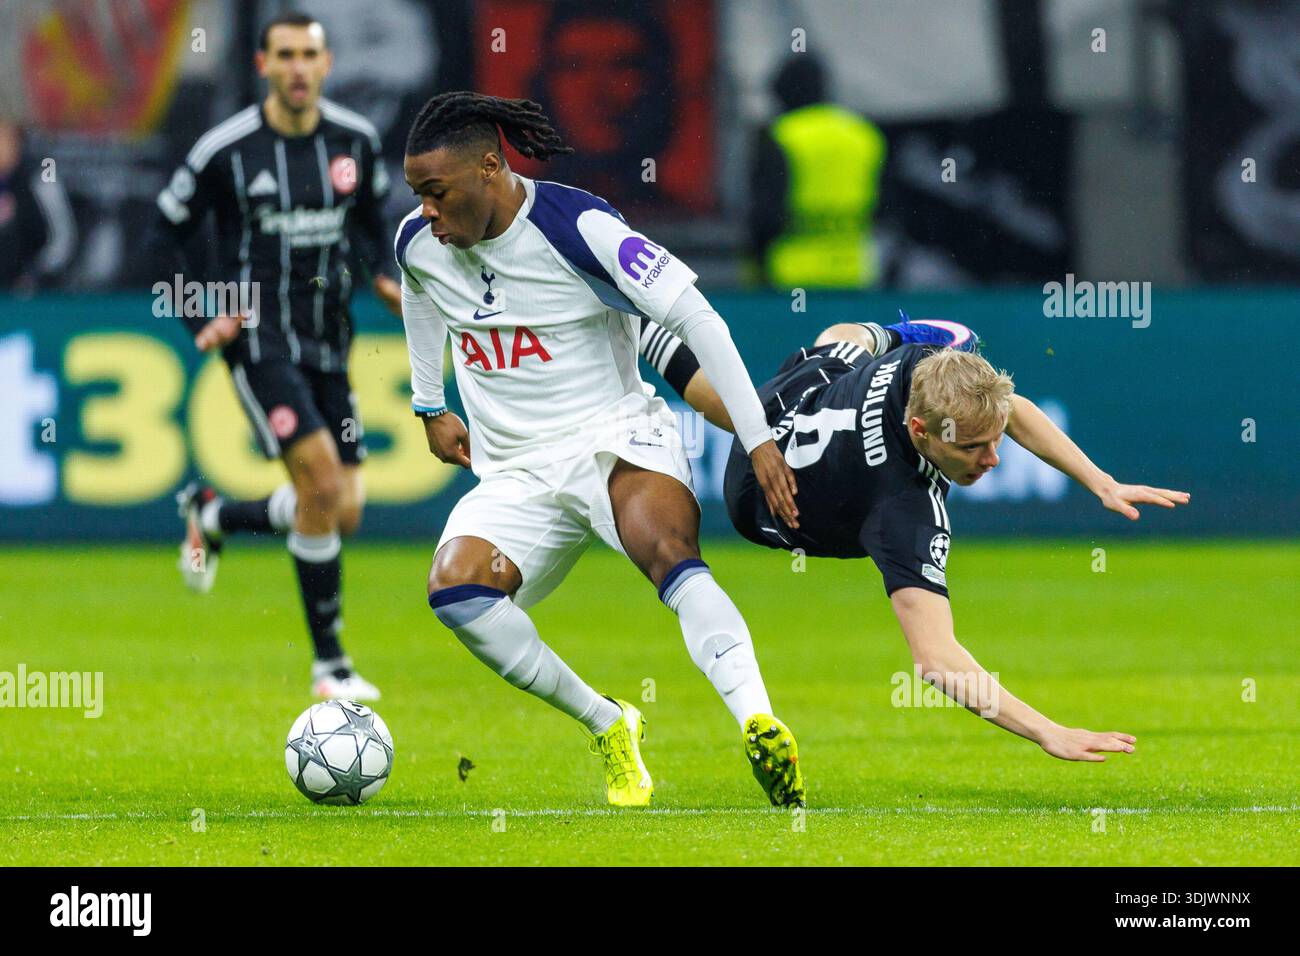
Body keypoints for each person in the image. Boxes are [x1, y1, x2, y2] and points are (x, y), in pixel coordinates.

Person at [397, 91, 804, 807]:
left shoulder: (578, 226)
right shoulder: (420, 244)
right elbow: (420, 295)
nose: (425, 211)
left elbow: (696, 317)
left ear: (489, 167)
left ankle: (759, 721)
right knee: (456, 591)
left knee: (668, 555)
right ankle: (609, 721)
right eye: (417, 196)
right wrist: (429, 403)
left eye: (436, 193)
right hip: (516, 472)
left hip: (612, 437)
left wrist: (759, 438)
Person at [640, 315, 1191, 762]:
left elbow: (1011, 410)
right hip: (763, 500)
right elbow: (936, 659)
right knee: (741, 411)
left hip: (809, 395)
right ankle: (640, 326)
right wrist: (1049, 731)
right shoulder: (903, 511)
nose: (993, 459)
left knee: (841, 343)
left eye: (992, 442)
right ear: (921, 431)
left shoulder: (918, 373)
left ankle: (644, 326)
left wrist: (1100, 482)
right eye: (975, 448)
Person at [151, 12, 401, 700]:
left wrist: (384, 275)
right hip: (259, 341)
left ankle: (211, 514)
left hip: (329, 338)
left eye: (308, 56)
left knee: (341, 508)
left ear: (325, 65)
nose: (297, 67)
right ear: (263, 64)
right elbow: (162, 235)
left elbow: (374, 226)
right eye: (284, 55)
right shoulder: (225, 151)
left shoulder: (358, 141)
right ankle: (331, 666)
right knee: (319, 484)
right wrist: (201, 313)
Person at [748, 55, 887, 288]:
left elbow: (765, 216)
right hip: (856, 271)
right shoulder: (864, 134)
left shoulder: (781, 135)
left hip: (790, 275)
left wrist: (756, 269)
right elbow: (885, 206)